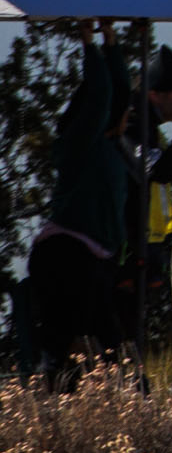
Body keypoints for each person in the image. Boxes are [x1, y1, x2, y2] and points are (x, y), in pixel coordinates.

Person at [23, 37, 139, 387]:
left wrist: (113, 41)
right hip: (67, 261)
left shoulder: (108, 147)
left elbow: (117, 89)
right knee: (75, 349)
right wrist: (90, 42)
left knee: (105, 349)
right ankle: (55, 408)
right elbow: (102, 92)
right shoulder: (80, 142)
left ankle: (108, 405)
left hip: (91, 262)